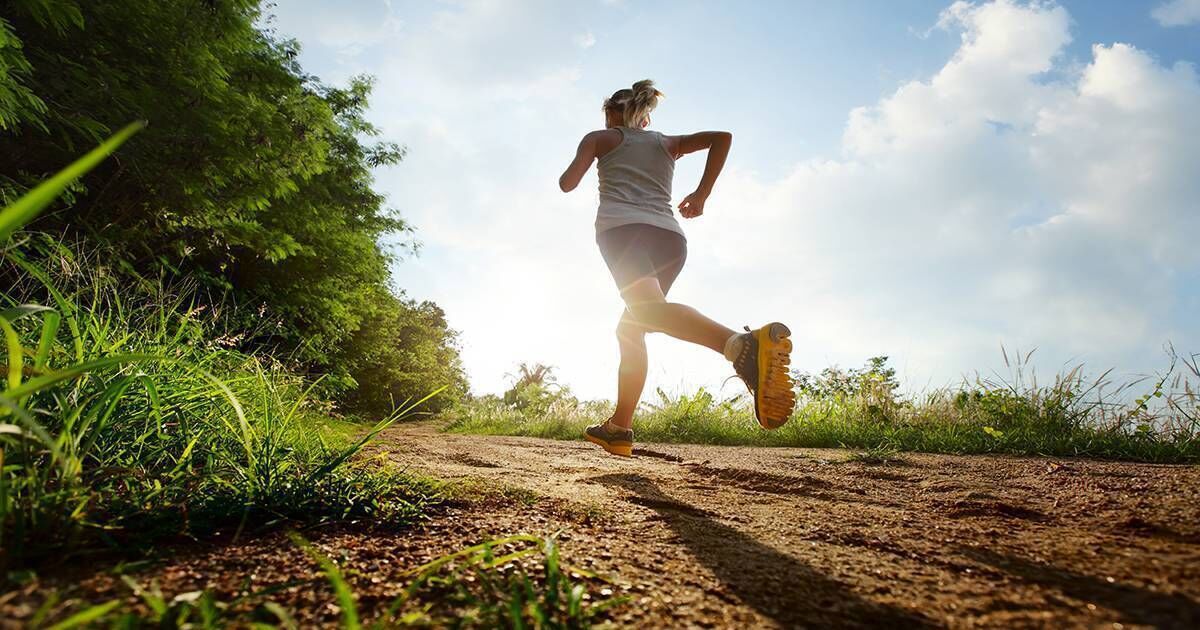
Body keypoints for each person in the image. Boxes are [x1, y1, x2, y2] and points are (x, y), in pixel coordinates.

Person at [558, 79, 796, 457]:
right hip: (670, 239)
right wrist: (702, 194)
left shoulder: (601, 138)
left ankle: (740, 346)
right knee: (632, 326)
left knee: (647, 313)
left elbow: (567, 184)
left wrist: (587, 154)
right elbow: (722, 137)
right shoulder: (666, 143)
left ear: (612, 114)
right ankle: (619, 427)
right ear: (645, 115)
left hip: (624, 232)